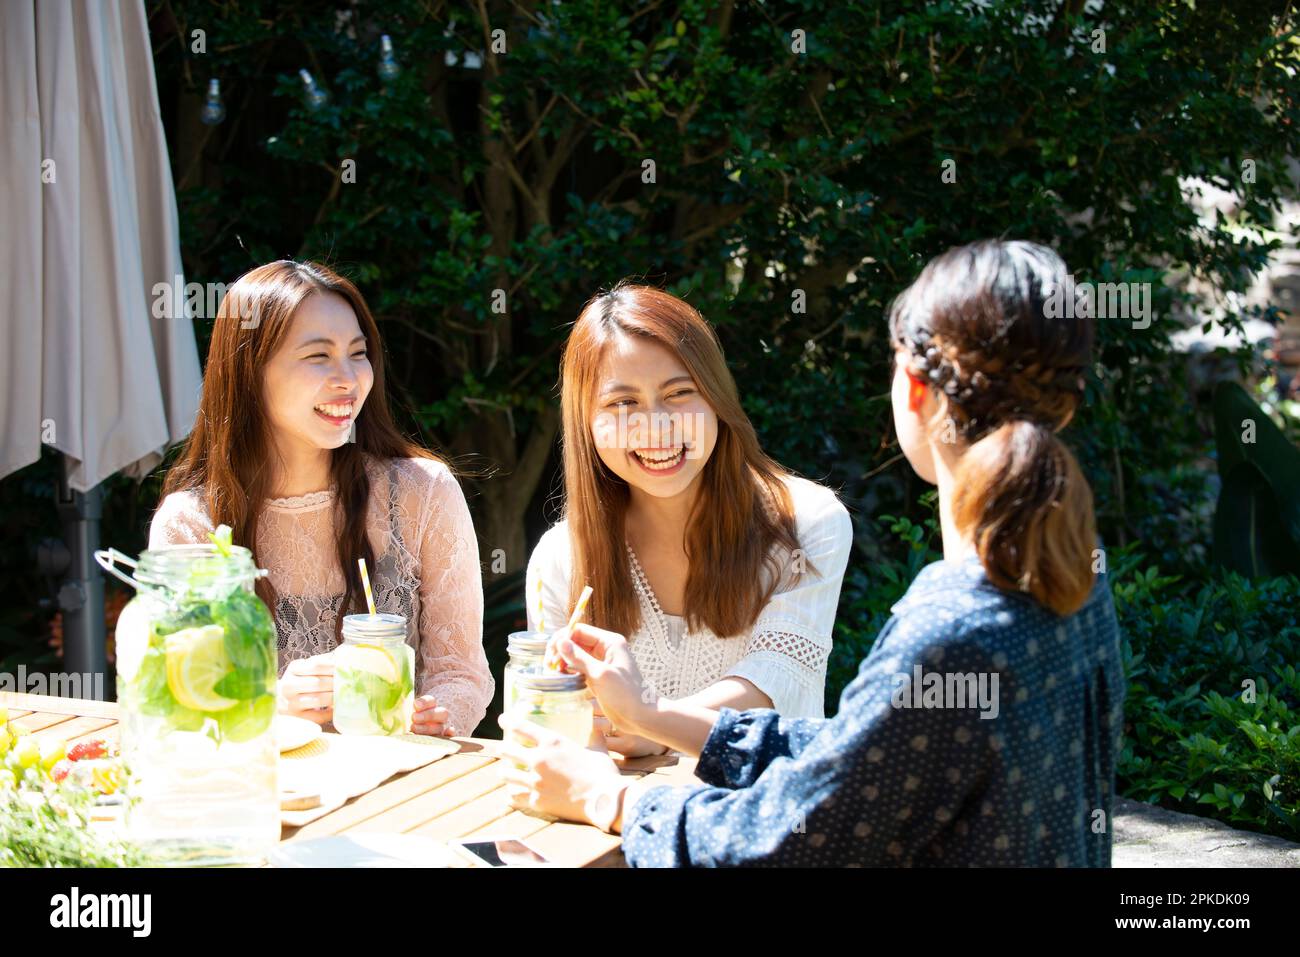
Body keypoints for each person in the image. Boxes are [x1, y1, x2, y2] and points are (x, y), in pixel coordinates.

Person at [500, 240, 1124, 866]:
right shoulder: (1072, 574)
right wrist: (648, 712)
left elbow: (804, 831)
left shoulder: (949, 627)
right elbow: (856, 753)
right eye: (622, 402)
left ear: (912, 388)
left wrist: (612, 801)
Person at [149, 260, 492, 737]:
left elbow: (462, 674)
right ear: (249, 371)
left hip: (401, 788)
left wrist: (430, 721)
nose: (349, 380)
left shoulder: (422, 493)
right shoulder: (192, 525)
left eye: (358, 352)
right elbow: (181, 709)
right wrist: (272, 705)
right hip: (264, 794)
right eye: (318, 356)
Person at [525, 283, 852, 756]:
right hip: (613, 819)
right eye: (623, 403)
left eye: (679, 393)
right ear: (586, 422)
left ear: (717, 397)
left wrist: (647, 723)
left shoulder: (805, 524)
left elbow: (773, 686)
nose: (655, 426)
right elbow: (562, 722)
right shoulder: (560, 560)